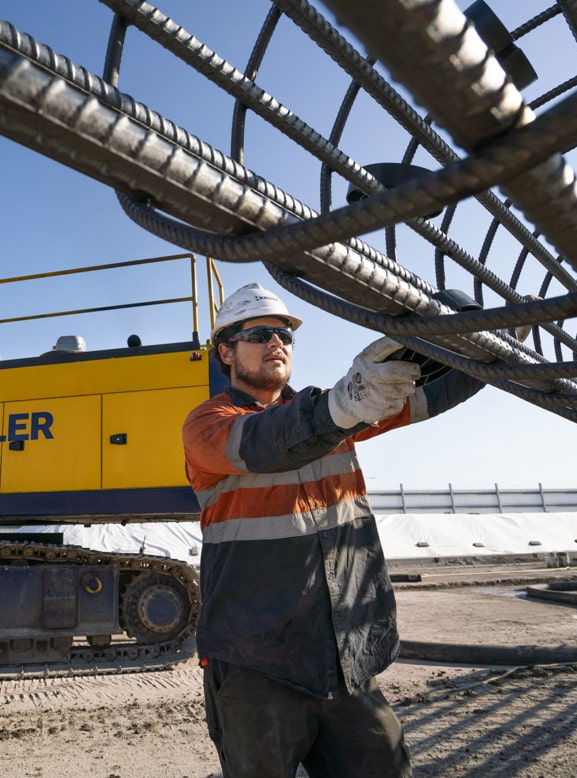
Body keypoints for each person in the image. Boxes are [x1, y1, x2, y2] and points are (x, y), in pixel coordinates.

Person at [182, 283, 485, 778]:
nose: (277, 341)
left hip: (343, 660)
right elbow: (268, 441)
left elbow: (423, 398)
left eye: (285, 335)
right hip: (256, 665)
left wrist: (487, 353)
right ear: (226, 351)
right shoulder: (209, 423)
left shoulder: (333, 411)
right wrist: (344, 406)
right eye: (259, 333)